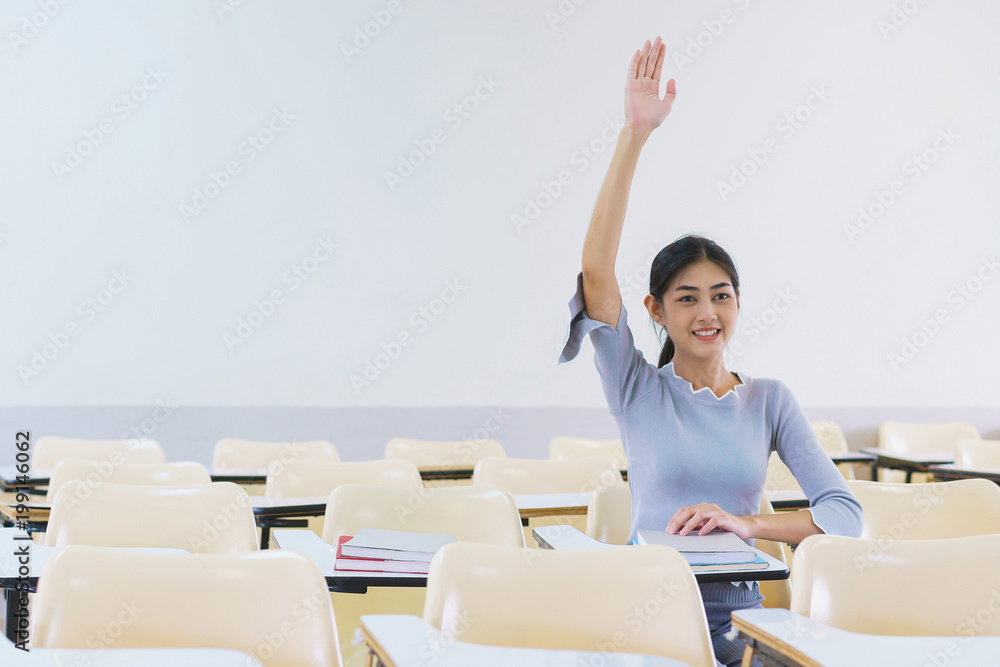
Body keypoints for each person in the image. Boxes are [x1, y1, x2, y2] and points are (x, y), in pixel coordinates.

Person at [558, 36, 863, 667]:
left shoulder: (769, 399)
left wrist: (748, 525)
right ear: (656, 312)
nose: (706, 314)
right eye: (687, 298)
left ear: (738, 301)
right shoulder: (637, 386)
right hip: (649, 620)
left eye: (720, 296)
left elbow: (845, 516)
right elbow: (595, 268)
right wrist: (634, 135)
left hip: (743, 627)